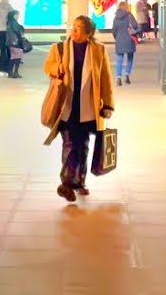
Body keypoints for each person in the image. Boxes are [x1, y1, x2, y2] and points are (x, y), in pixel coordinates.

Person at [43, 16, 115, 202]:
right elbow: (48, 66)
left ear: (89, 33)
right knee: (69, 144)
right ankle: (66, 183)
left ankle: (80, 182)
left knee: (82, 145)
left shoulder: (98, 50)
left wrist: (108, 104)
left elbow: (105, 78)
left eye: (79, 28)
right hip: (66, 105)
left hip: (88, 107)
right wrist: (58, 68)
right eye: (73, 27)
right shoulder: (59, 48)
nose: (74, 32)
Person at [111, 3, 139, 86]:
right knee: (130, 58)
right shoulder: (129, 16)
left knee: (119, 59)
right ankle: (127, 74)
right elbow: (135, 26)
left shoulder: (116, 18)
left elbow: (114, 30)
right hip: (129, 40)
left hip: (119, 40)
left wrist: (117, 38)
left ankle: (118, 77)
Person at [6, 9, 29, 79]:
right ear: (14, 15)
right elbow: (18, 31)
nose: (18, 16)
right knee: (18, 57)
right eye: (17, 14)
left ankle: (10, 72)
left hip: (11, 42)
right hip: (16, 42)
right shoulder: (14, 23)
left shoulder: (9, 22)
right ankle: (15, 72)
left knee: (12, 57)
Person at [0, 0, 13, 76]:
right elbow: (13, 19)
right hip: (8, 32)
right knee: (9, 51)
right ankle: (9, 69)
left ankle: (2, 69)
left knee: (2, 51)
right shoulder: (10, 10)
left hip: (0, 31)